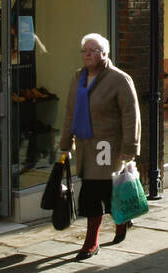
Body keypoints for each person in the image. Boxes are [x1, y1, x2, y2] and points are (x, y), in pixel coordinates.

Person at [59, 34, 141, 259]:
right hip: (86, 145)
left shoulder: (119, 79)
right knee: (102, 190)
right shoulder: (78, 78)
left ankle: (91, 242)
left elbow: (130, 114)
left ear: (105, 54)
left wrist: (129, 147)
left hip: (107, 145)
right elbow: (70, 113)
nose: (88, 54)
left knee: (94, 191)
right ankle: (121, 219)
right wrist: (65, 143)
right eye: (85, 50)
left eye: (93, 50)